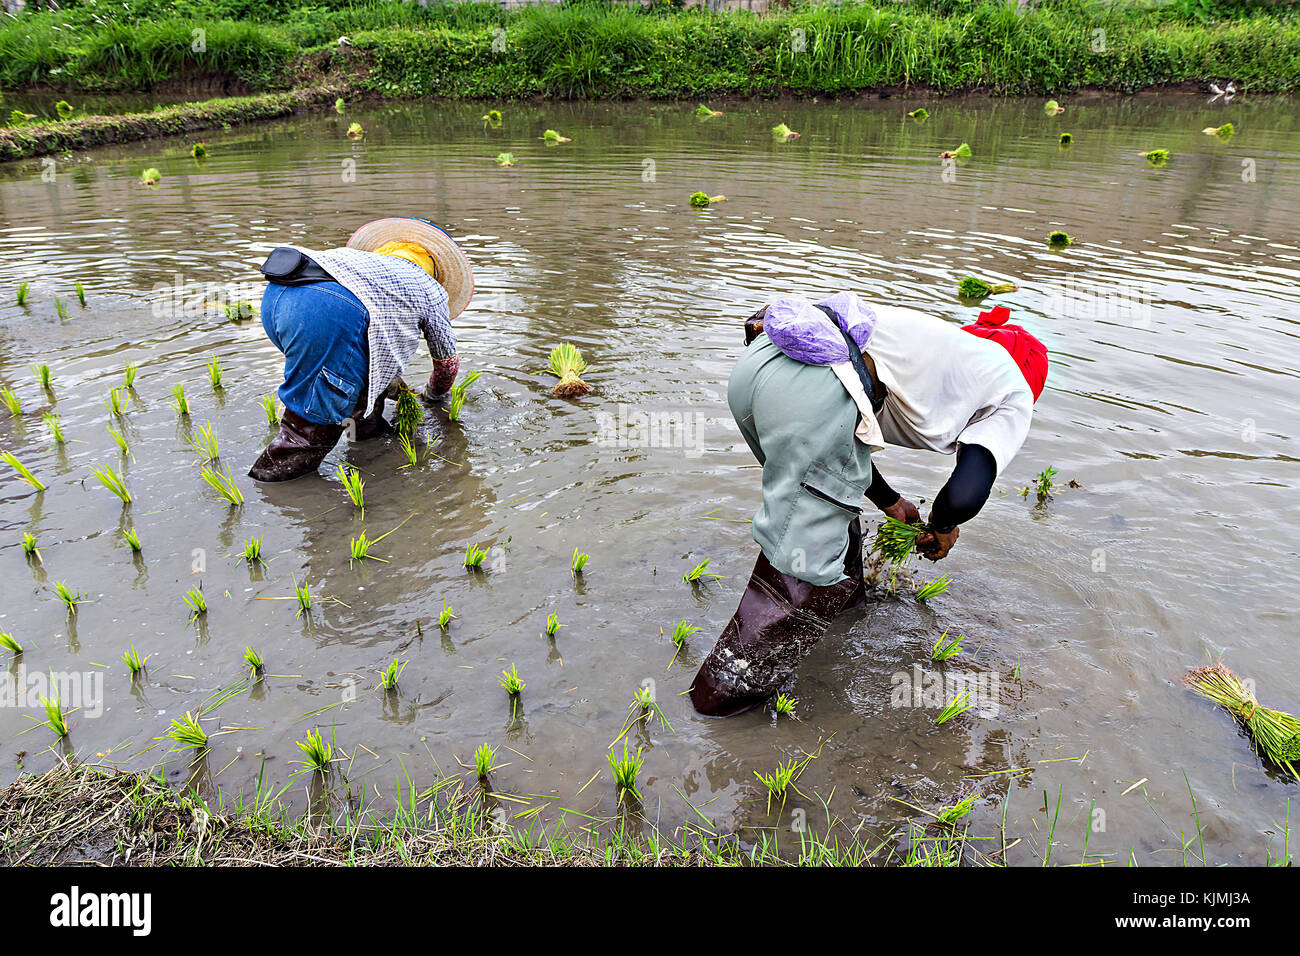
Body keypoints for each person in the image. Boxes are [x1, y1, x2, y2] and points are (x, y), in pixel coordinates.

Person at [690, 292, 1049, 717]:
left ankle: (845, 612)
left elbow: (838, 448)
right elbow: (964, 494)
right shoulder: (1014, 391)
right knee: (800, 568)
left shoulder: (934, 342)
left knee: (824, 506)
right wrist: (946, 524)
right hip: (813, 395)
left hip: (756, 373)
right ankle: (718, 703)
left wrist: (892, 502)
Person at [248, 217, 474, 482]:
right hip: (326, 313)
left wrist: (395, 387)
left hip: (276, 297)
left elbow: (375, 345)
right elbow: (447, 363)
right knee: (310, 425)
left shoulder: (359, 264)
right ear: (432, 271)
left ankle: (368, 436)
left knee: (351, 376)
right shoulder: (429, 288)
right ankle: (266, 485)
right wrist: (433, 397)